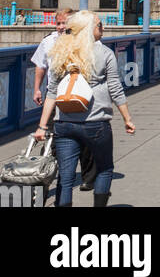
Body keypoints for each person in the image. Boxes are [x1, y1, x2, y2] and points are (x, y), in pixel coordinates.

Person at [33, 10, 134, 208]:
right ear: (88, 29)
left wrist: (42, 126)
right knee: (105, 168)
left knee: (66, 175)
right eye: (99, 25)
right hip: (96, 123)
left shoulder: (61, 51)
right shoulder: (104, 53)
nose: (102, 28)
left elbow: (52, 92)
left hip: (64, 123)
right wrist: (127, 118)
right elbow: (115, 88)